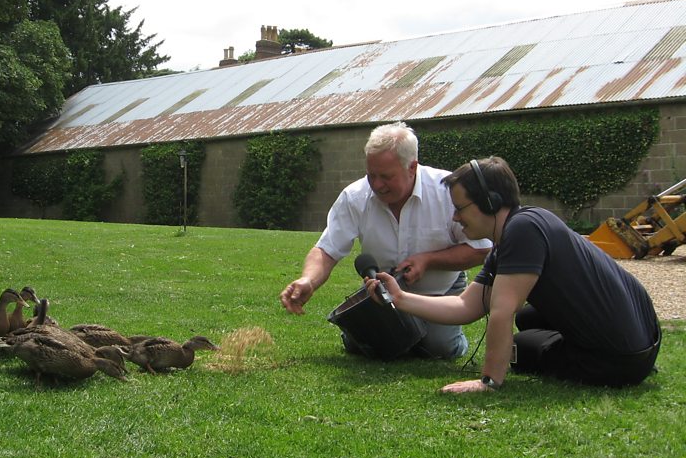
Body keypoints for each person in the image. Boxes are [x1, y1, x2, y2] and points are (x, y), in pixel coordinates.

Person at [367, 156, 661, 393]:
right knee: (528, 319)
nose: (455, 217)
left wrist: (488, 381)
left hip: (617, 361)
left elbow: (500, 312)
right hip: (644, 343)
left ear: (491, 203)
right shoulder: (524, 227)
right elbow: (466, 305)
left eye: (460, 208)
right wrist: (400, 297)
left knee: (521, 347)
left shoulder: (522, 231)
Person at [280, 122, 491, 359]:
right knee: (360, 346)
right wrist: (309, 280)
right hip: (380, 292)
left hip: (439, 290)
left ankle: (449, 339)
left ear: (412, 167)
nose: (377, 184)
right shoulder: (355, 197)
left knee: (438, 349)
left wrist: (429, 261)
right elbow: (327, 249)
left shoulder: (448, 191)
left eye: (386, 177)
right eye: (372, 175)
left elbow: (481, 249)